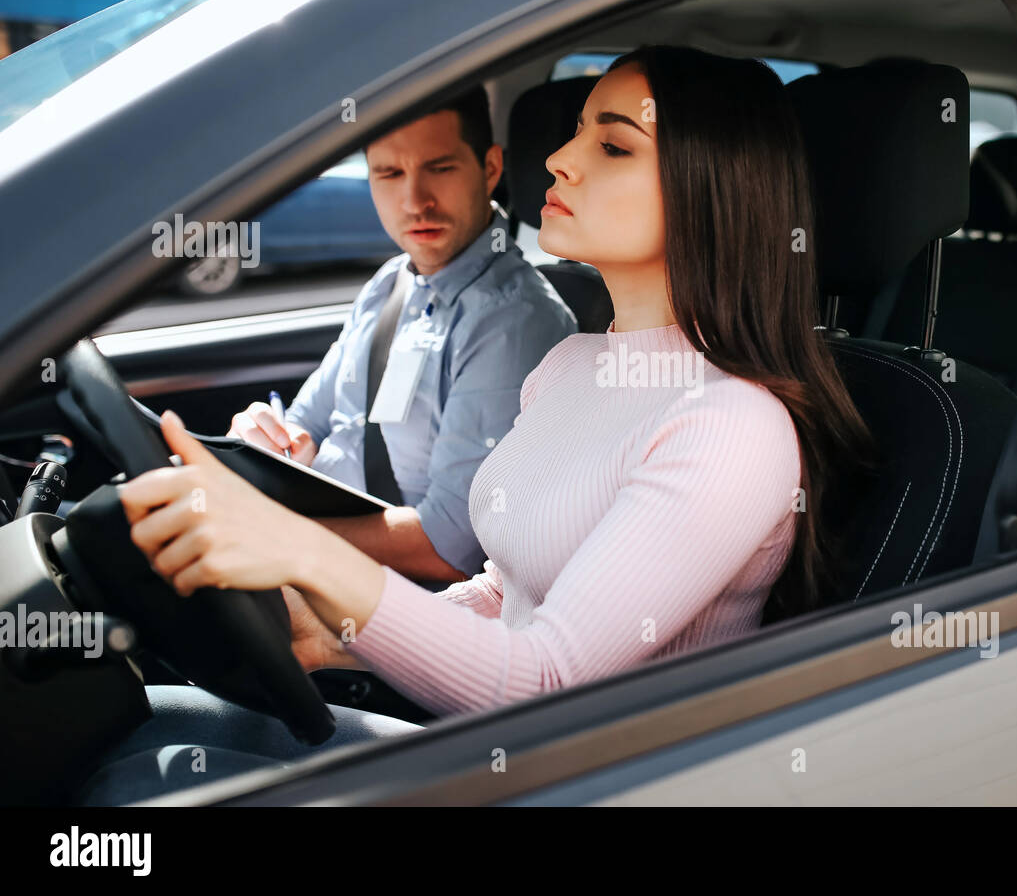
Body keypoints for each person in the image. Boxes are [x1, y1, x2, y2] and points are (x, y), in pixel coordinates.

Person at [75, 46, 877, 804]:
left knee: (131, 791)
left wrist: (304, 547)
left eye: (615, 146)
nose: (561, 159)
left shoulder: (733, 426)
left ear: (712, 189)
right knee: (127, 726)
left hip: (579, 779)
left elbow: (547, 682)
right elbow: (506, 589)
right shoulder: (570, 366)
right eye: (574, 132)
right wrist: (331, 633)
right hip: (482, 746)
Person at [227, 86, 576, 586]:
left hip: (385, 602)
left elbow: (448, 547)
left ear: (491, 169)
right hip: (316, 563)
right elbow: (306, 423)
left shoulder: (514, 322)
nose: (414, 201)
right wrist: (264, 435)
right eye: (389, 173)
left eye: (440, 168)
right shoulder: (391, 283)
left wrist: (276, 534)